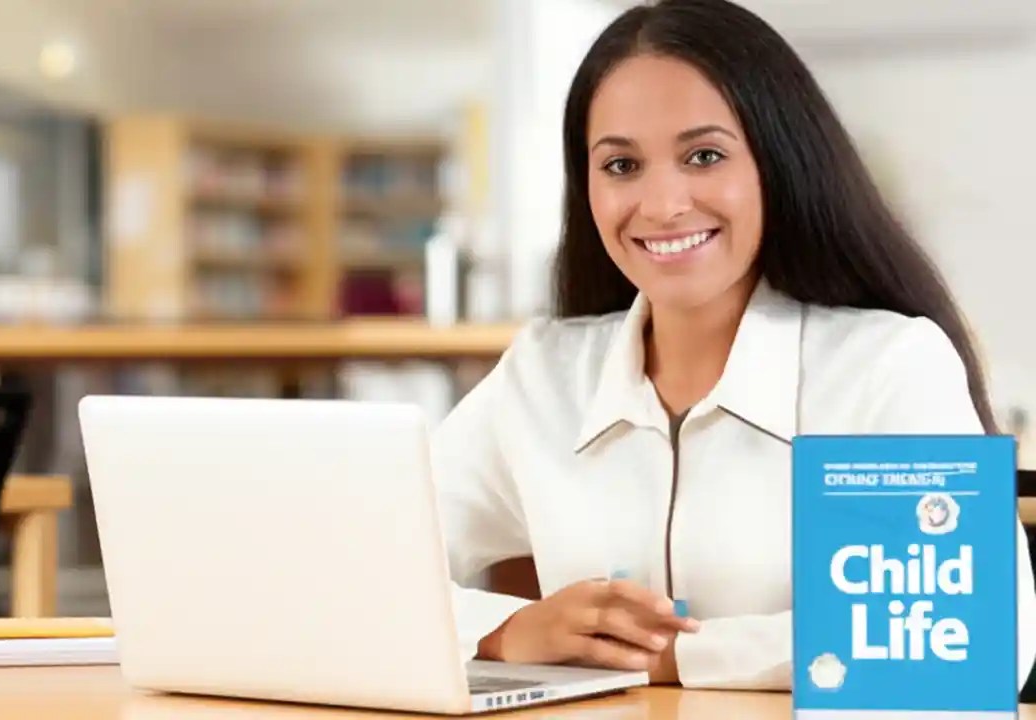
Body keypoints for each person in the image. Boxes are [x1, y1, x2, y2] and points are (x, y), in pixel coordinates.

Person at [430, 0, 1036, 691]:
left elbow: (964, 635)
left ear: (777, 163)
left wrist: (674, 657)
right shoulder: (544, 375)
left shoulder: (886, 366)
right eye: (622, 165)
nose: (662, 204)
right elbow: (346, 569)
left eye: (704, 156)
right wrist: (506, 631)